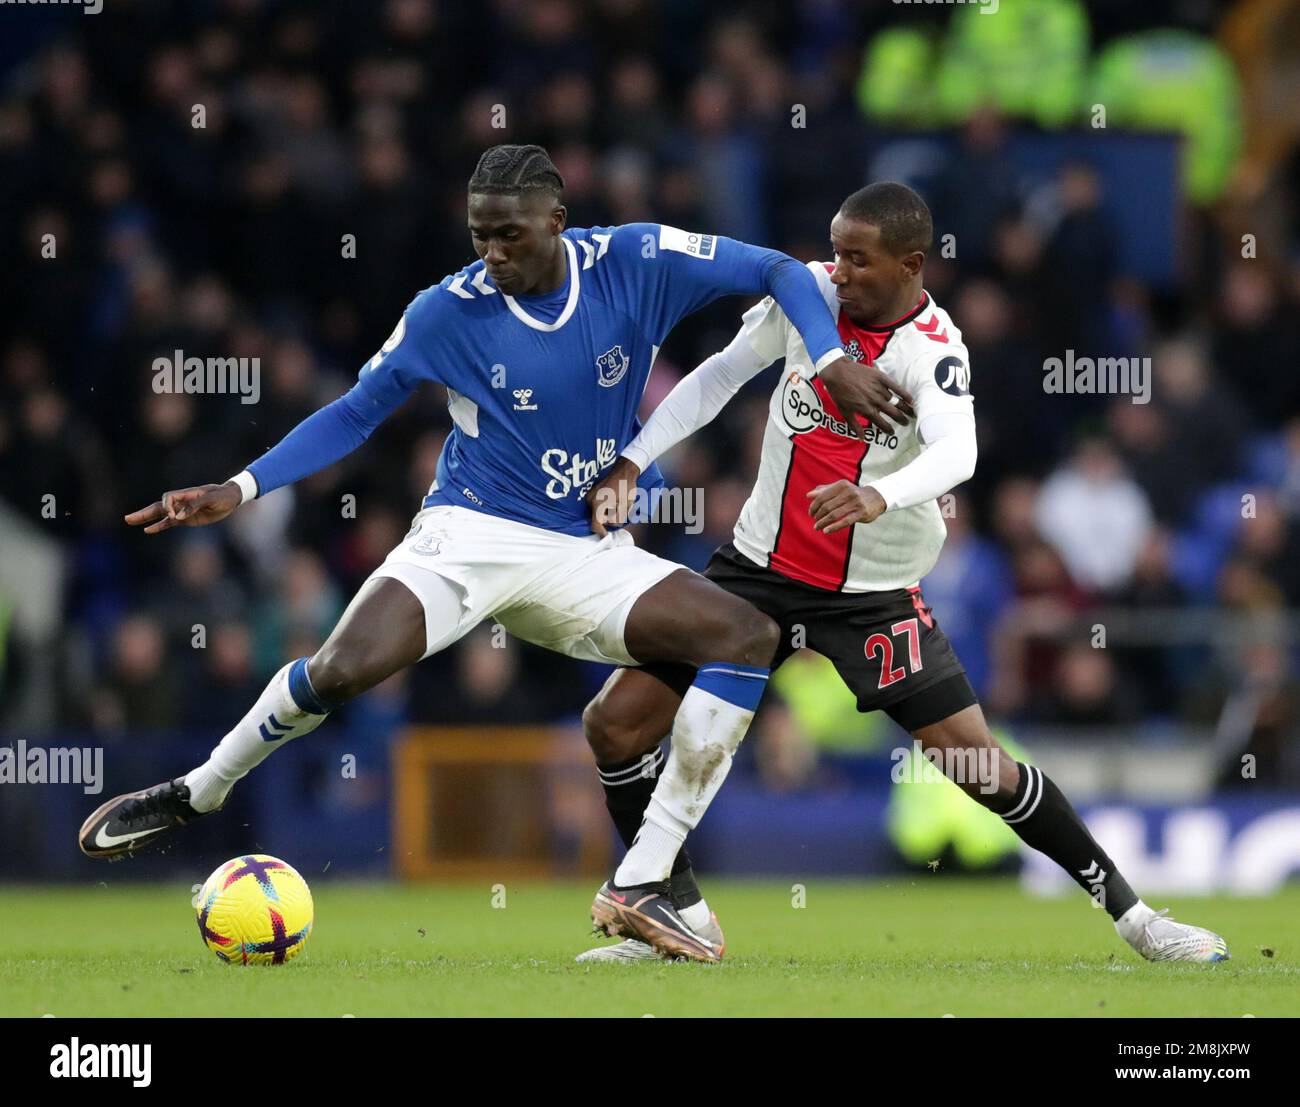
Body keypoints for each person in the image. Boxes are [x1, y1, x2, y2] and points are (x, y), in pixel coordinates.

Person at [78, 145, 913, 963]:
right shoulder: (447, 310)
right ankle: (202, 787)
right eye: (479, 234)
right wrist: (242, 486)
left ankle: (657, 878)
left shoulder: (635, 260)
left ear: (558, 220)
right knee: (341, 669)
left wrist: (832, 361)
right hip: (469, 533)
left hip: (583, 546)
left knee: (744, 635)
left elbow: (779, 268)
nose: (492, 253)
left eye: (510, 234)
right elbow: (356, 412)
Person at [578, 182, 1229, 965]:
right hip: (754, 569)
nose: (839, 270)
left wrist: (877, 493)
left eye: (858, 257)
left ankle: (1138, 918)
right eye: (836, 250)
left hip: (869, 597)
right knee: (614, 722)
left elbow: (962, 452)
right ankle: (674, 912)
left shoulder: (934, 348)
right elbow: (720, 374)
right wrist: (634, 460)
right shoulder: (808, 296)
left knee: (979, 767)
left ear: (911, 264)